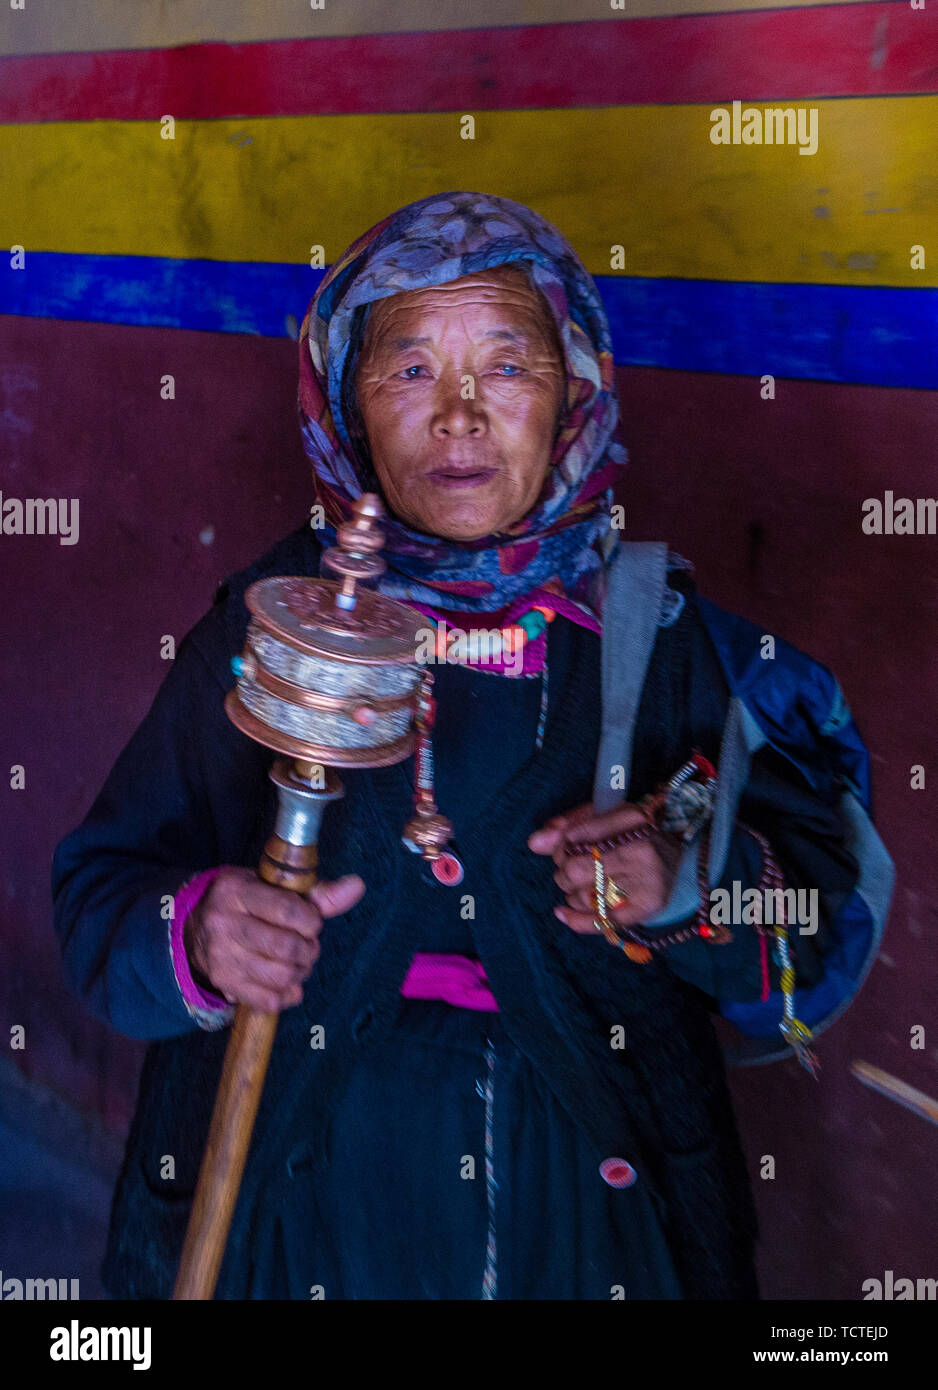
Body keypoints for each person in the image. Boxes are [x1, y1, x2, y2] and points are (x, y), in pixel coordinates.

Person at [51, 190, 892, 1301]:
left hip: (592, 1207)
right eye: (406, 370)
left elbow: (813, 927)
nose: (457, 415)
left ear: (572, 393)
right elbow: (102, 893)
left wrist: (692, 884)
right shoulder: (269, 630)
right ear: (345, 404)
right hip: (294, 1194)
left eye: (504, 367)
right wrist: (201, 933)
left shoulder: (673, 648)